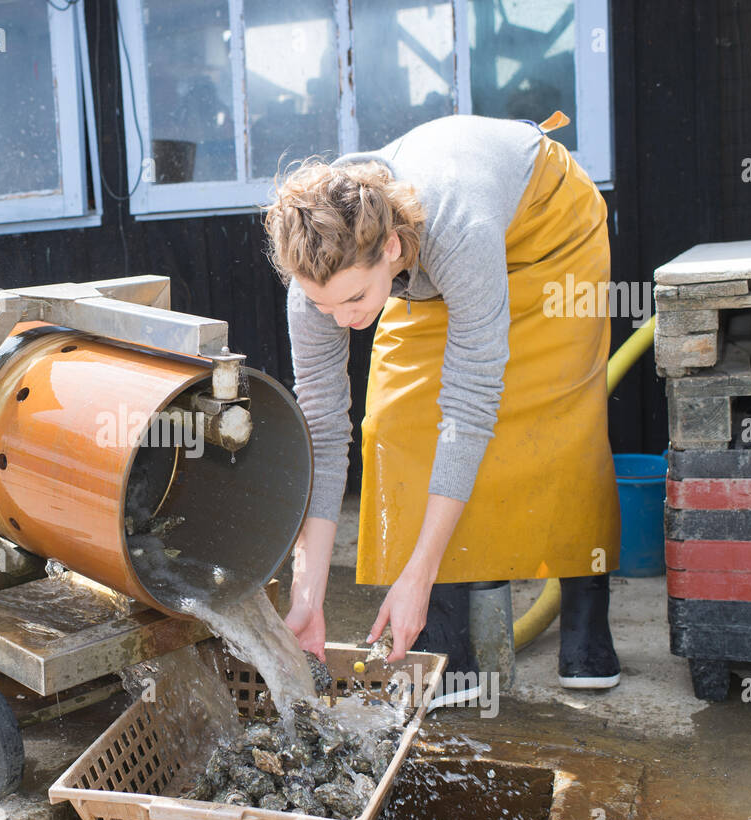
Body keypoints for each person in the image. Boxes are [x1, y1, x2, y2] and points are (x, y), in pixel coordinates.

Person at [262, 113, 623, 708]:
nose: (343, 320)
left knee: (558, 417)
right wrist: (309, 592)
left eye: (355, 299)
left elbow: (471, 400)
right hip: (425, 269)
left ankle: (585, 607)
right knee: (395, 423)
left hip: (546, 233)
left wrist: (417, 573)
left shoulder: (456, 228)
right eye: (324, 305)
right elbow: (324, 431)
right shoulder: (322, 283)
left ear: (392, 248)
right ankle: (445, 641)